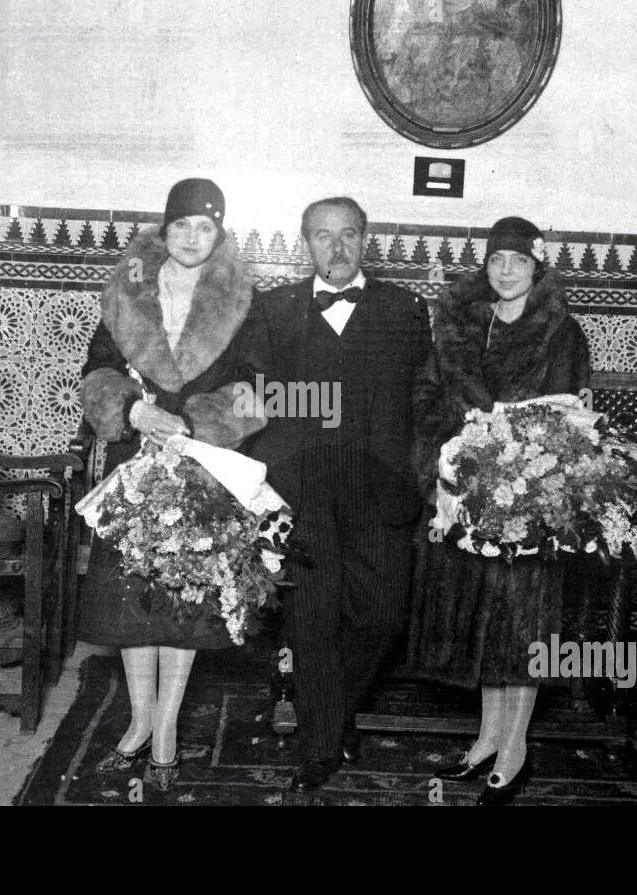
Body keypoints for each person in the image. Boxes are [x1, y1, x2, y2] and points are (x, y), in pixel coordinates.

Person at [77, 178, 265, 790]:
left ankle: (167, 726)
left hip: (202, 460)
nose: (191, 237)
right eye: (180, 225)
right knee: (132, 597)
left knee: (186, 598)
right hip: (134, 461)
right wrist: (132, 410)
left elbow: (256, 385)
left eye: (203, 227)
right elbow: (97, 369)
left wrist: (195, 422)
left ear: (219, 234)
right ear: (164, 230)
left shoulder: (242, 299)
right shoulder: (127, 289)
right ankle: (136, 723)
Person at [247, 197, 431, 791]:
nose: (337, 247)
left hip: (379, 485)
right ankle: (322, 744)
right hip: (303, 487)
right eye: (323, 236)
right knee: (313, 619)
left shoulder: (404, 309)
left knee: (383, 616)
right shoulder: (273, 309)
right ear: (306, 243)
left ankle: (333, 710)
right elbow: (257, 400)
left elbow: (423, 401)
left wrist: (420, 474)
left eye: (348, 235)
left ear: (365, 240)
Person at [406, 215, 591, 805]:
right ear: (484, 268)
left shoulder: (562, 333)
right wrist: (453, 444)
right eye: (496, 261)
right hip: (467, 491)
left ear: (537, 267)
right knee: (484, 617)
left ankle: (515, 749)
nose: (506, 270)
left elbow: (568, 420)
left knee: (523, 622)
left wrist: (511, 448)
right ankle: (487, 737)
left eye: (517, 260)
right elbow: (428, 397)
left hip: (529, 495)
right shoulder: (460, 330)